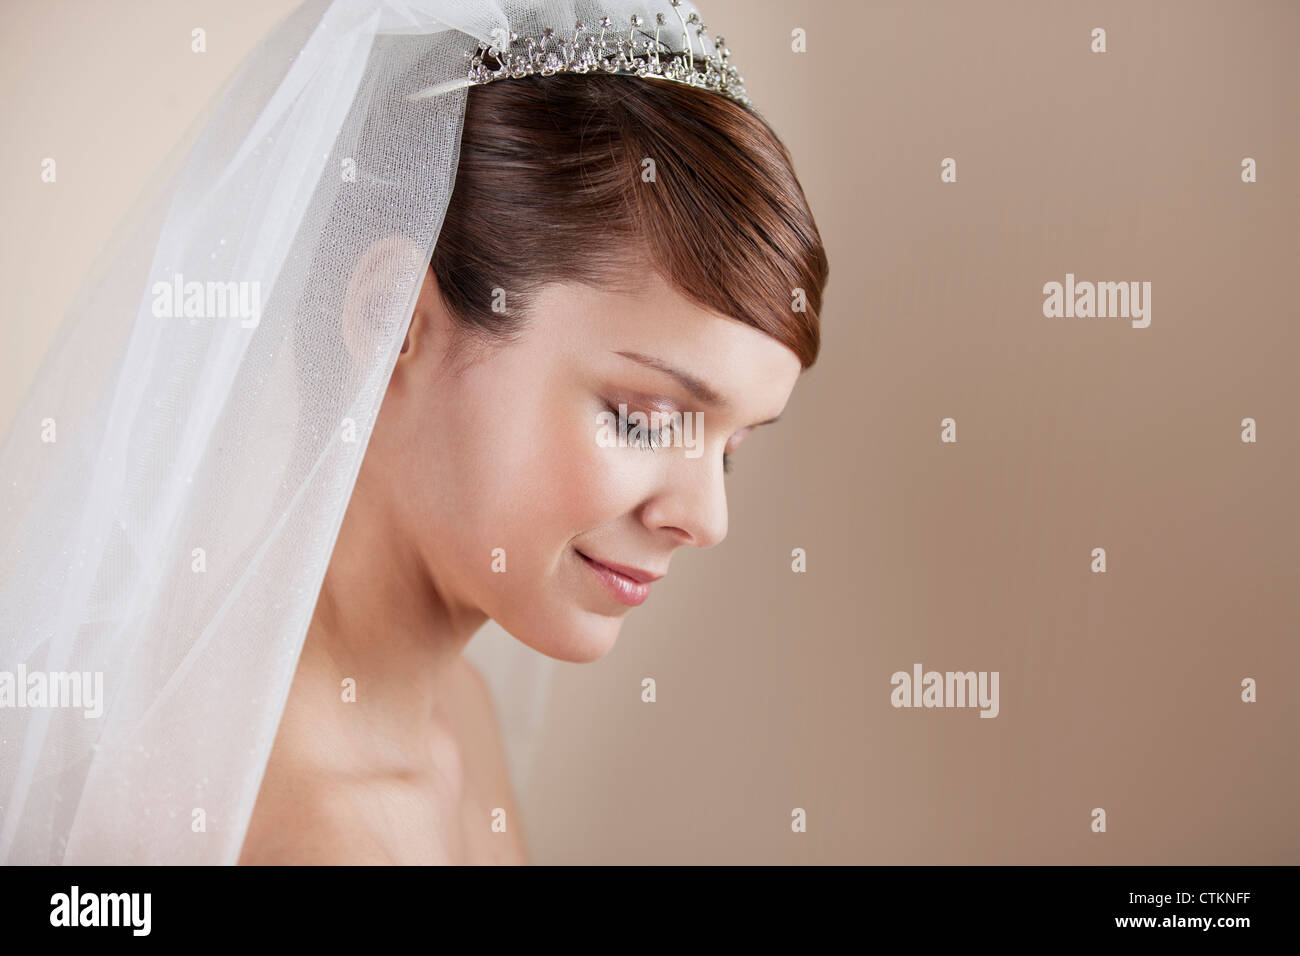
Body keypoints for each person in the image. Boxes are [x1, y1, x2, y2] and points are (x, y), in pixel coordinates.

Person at [0, 0, 826, 865]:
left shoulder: (454, 718)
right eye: (646, 420)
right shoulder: (302, 832)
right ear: (393, 319)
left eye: (732, 448)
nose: (706, 518)